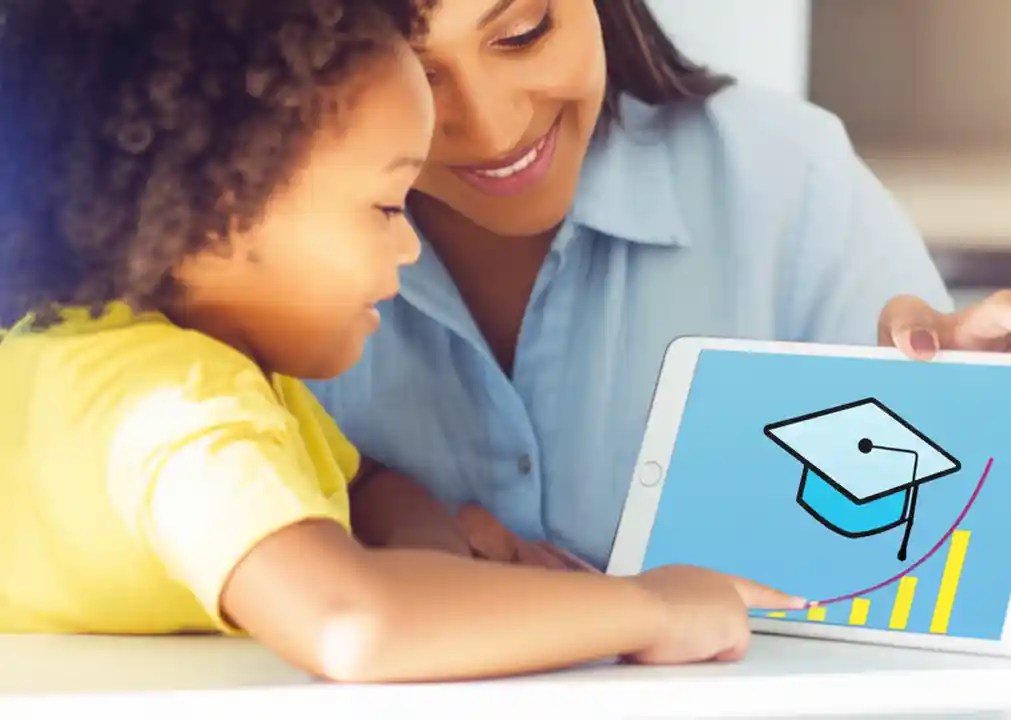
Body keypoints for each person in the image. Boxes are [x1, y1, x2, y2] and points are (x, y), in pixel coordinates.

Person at [0, 0, 805, 683]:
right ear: (218, 212)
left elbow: (366, 484)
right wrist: (649, 607)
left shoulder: (131, 362)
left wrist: (436, 559)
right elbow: (354, 623)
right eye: (387, 206)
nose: (411, 245)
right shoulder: (168, 410)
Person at [306, 0, 1011, 571]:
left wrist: (1003, 433)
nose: (489, 127)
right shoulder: (260, 238)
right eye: (415, 78)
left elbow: (950, 533)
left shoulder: (780, 174)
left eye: (521, 33)